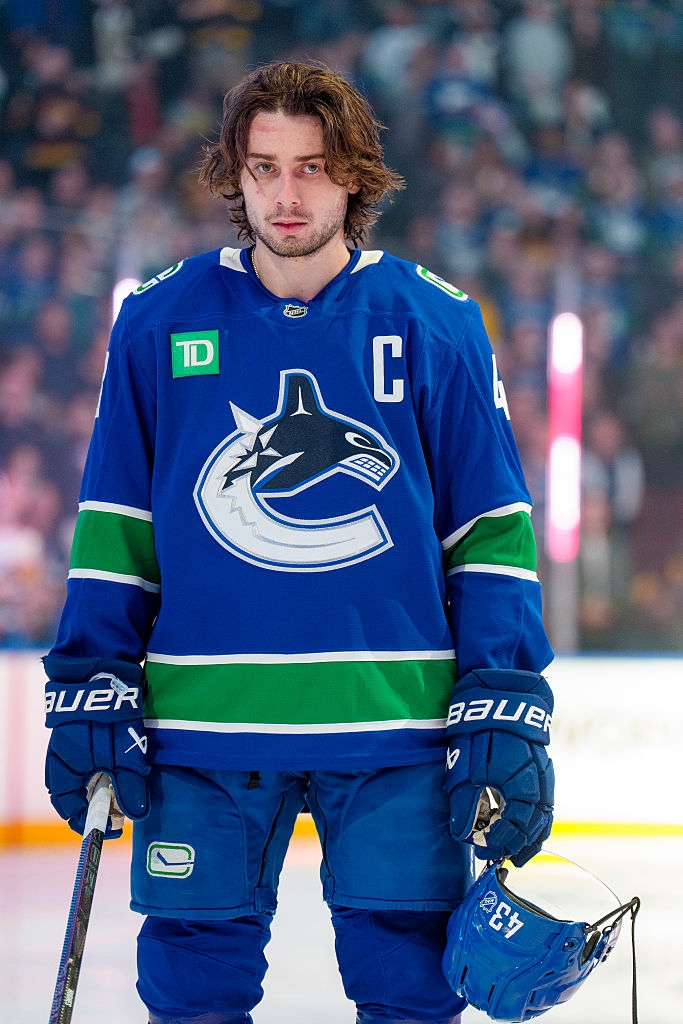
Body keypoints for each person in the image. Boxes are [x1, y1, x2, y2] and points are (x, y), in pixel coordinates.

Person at [42, 61, 555, 1024]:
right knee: (192, 999)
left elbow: (488, 531)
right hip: (203, 733)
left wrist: (503, 696)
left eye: (312, 167)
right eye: (265, 167)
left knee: (410, 996)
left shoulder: (434, 322)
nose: (286, 194)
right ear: (235, 175)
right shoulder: (158, 320)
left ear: (352, 175)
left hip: (395, 729)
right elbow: (116, 527)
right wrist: (90, 682)